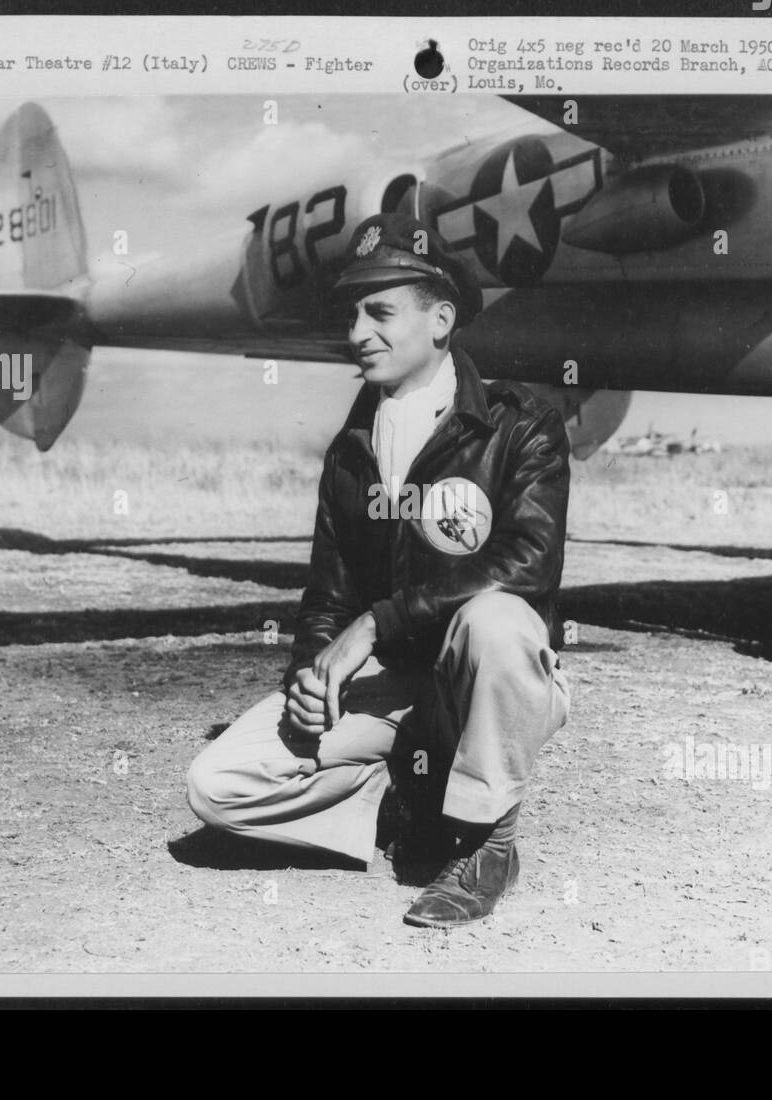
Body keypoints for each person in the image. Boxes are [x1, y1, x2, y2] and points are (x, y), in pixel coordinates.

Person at [186, 212, 571, 927]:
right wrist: (309, 680)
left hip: (479, 681)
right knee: (217, 785)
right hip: (390, 692)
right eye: (353, 314)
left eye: (380, 312)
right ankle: (407, 802)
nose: (357, 332)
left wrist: (377, 622)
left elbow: (529, 563)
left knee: (496, 621)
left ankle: (486, 844)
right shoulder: (351, 449)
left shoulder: (520, 426)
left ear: (441, 320)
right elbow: (326, 597)